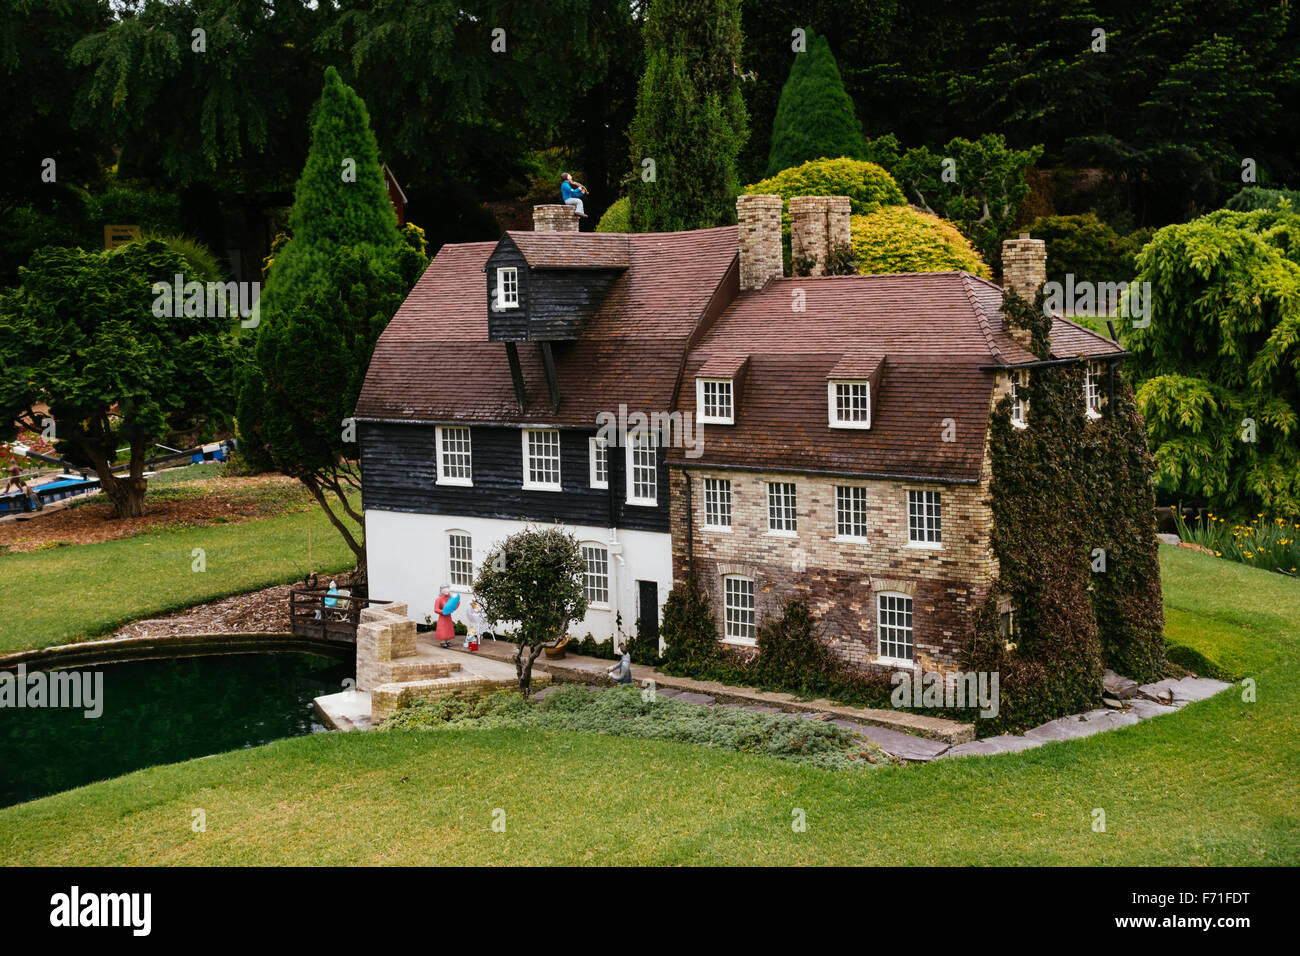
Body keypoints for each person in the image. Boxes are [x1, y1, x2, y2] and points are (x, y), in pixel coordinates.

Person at [433, 584, 460, 649]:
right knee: (443, 628)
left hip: (448, 616)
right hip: (442, 617)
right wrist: (443, 611)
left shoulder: (450, 598)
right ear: (441, 590)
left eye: (447, 588)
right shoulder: (439, 599)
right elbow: (436, 609)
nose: (446, 590)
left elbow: (455, 603)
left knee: (449, 627)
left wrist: (455, 604)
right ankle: (443, 641)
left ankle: (448, 640)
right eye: (444, 589)